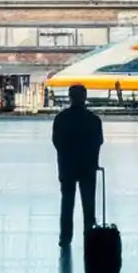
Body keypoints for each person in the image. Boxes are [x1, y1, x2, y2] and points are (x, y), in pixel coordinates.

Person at [52, 84, 104, 247]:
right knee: (89, 204)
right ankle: (90, 237)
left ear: (70, 97)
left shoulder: (61, 118)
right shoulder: (93, 119)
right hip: (87, 167)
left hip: (67, 166)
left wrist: (67, 155)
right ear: (85, 97)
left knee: (67, 203)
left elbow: (57, 141)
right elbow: (98, 141)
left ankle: (65, 238)